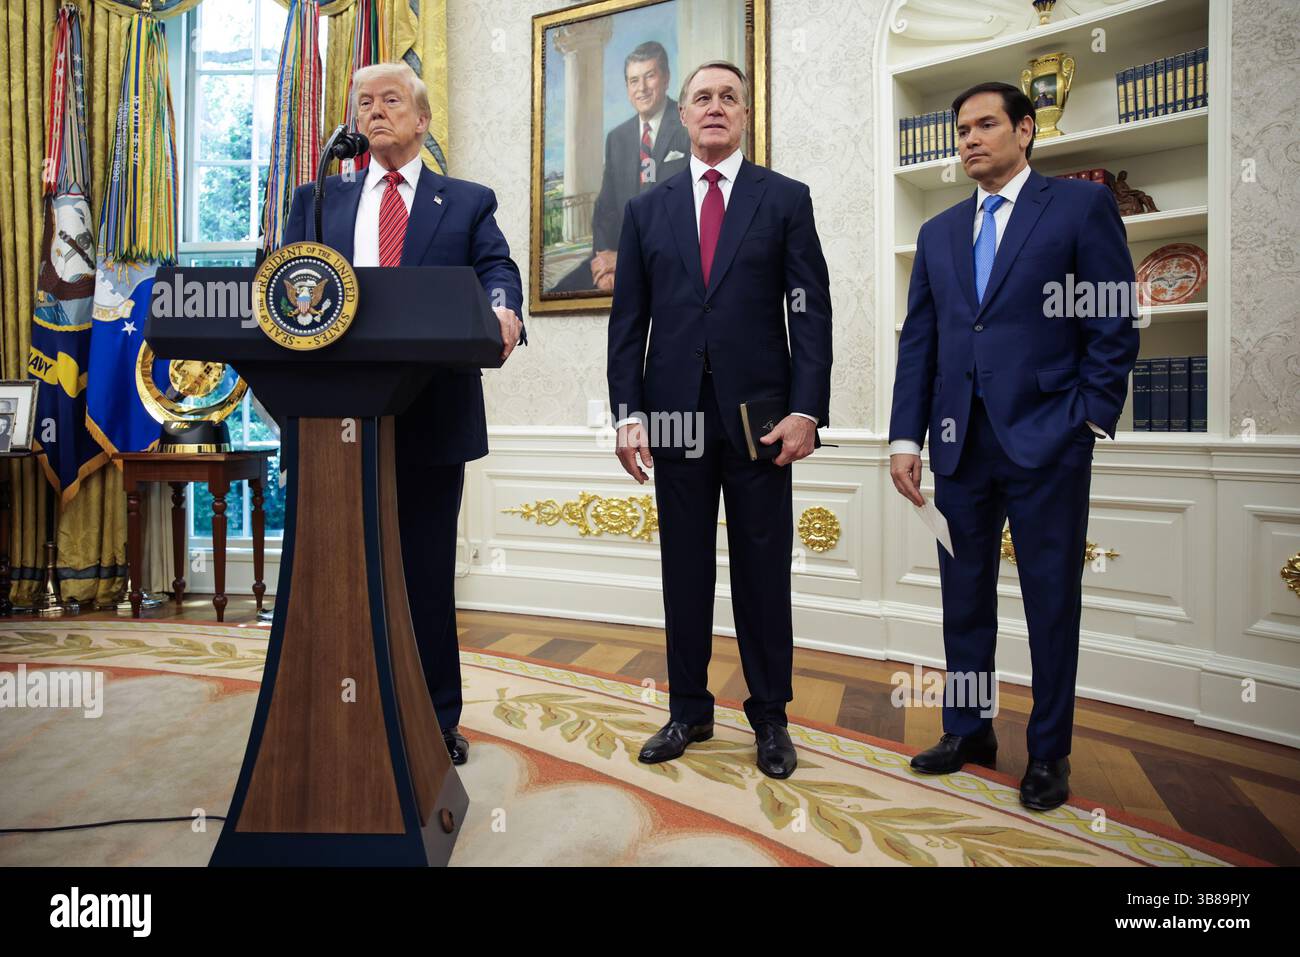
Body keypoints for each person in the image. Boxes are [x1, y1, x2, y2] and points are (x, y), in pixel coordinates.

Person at [887, 81, 1139, 810]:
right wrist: (908, 436)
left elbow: (1113, 317)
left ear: (1025, 130)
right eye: (961, 128)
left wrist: (1088, 417)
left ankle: (1049, 754)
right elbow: (923, 345)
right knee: (963, 600)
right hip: (957, 447)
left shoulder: (1079, 207)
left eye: (986, 124)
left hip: (1049, 444)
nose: (969, 138)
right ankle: (969, 731)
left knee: (1050, 603)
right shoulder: (938, 233)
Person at [283, 62, 525, 766]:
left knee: (422, 574)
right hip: (330, 420)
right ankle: (330, 708)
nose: (375, 110)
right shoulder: (318, 198)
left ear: (422, 120)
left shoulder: (467, 201)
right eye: (364, 102)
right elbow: (284, 277)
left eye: (392, 99)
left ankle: (434, 718)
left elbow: (497, 271)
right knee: (331, 578)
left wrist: (505, 310)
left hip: (429, 414)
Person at [606, 61, 832, 779]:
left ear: (743, 114)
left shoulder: (785, 199)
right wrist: (626, 415)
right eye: (701, 97)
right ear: (684, 113)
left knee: (764, 572)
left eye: (726, 98)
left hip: (760, 419)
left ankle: (770, 717)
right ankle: (688, 709)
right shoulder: (647, 209)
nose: (713, 108)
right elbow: (627, 325)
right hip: (673, 418)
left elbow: (811, 312)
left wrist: (806, 408)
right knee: (684, 569)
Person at [551, 41, 690, 293]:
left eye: (650, 76)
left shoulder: (687, 127)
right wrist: (604, 259)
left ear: (667, 78)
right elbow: (605, 210)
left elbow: (687, 212)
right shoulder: (617, 138)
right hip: (616, 260)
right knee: (559, 292)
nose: (642, 88)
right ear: (627, 87)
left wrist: (625, 258)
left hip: (670, 261)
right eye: (634, 80)